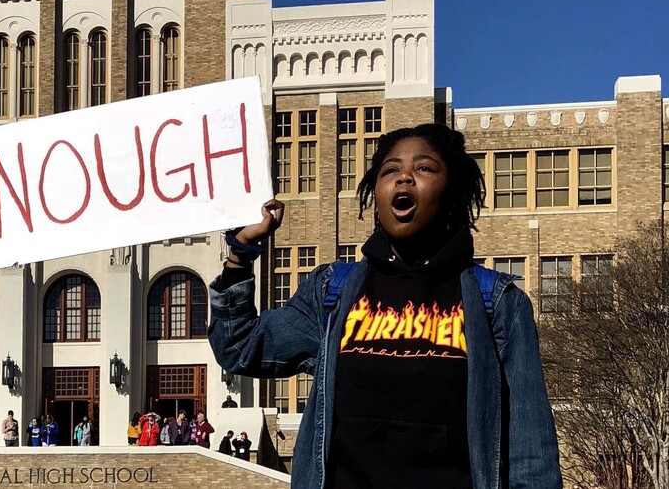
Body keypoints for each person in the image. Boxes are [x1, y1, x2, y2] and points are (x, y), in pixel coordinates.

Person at [209, 123, 563, 489]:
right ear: (375, 193)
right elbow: (240, 348)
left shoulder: (499, 305)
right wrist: (239, 256)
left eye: (424, 168)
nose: (404, 178)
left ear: (452, 191)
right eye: (390, 170)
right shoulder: (331, 292)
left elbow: (531, 457)